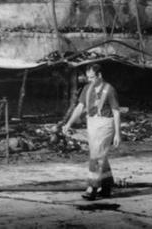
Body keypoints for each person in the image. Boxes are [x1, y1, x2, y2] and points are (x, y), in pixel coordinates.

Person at [62, 63, 121, 200]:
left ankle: (92, 187)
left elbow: (116, 112)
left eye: (92, 77)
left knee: (96, 155)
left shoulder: (109, 90)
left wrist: (118, 133)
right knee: (100, 155)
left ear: (100, 75)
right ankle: (106, 186)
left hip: (106, 124)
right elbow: (80, 107)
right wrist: (69, 123)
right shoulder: (87, 89)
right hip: (92, 124)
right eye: (88, 78)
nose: (90, 80)